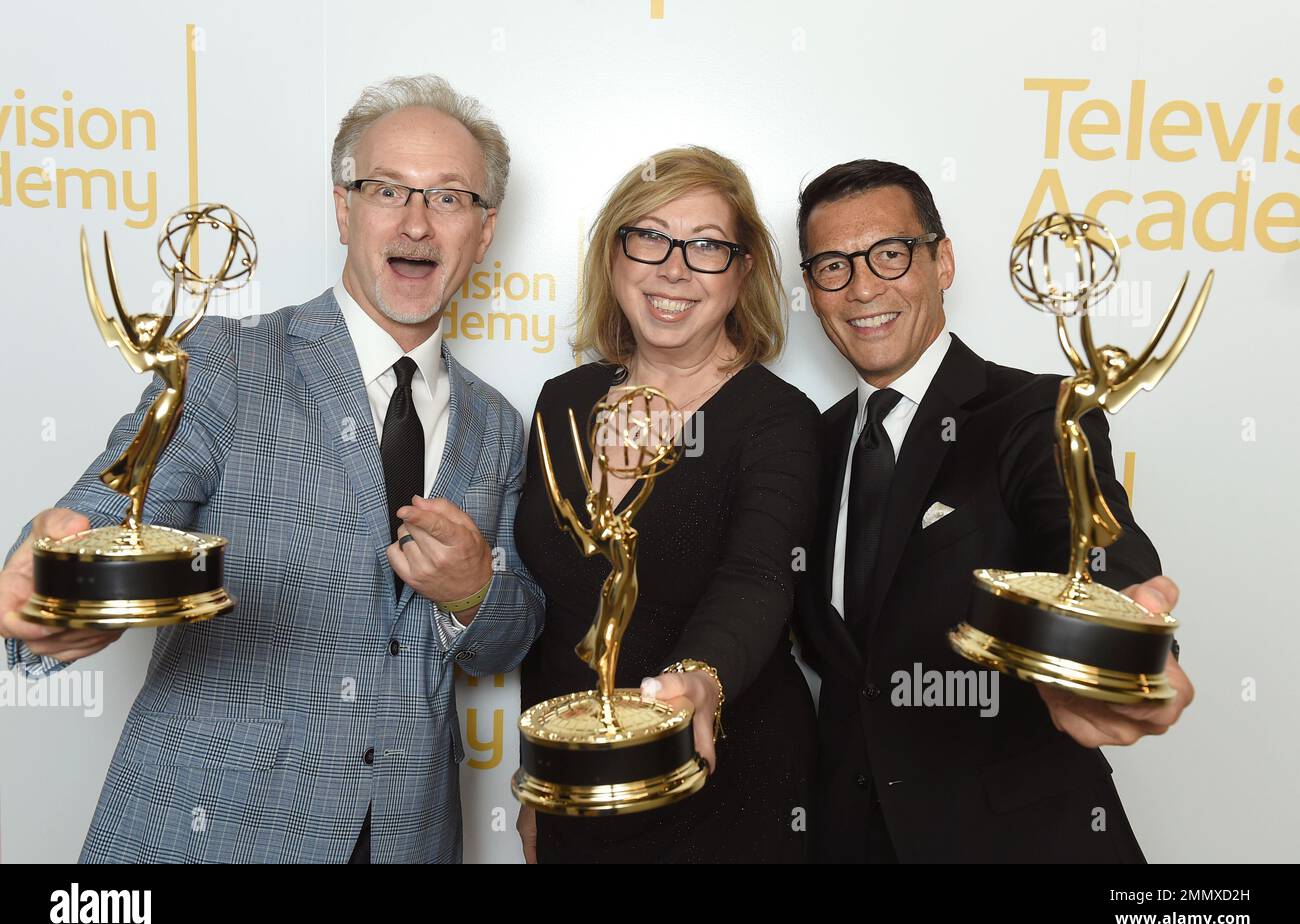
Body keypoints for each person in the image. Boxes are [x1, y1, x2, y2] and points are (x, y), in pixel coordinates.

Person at [0, 74, 544, 864]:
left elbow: (511, 636)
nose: (417, 222)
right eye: (388, 189)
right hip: (210, 829)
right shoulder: (223, 363)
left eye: (450, 198)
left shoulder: (497, 423)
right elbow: (103, 512)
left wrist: (473, 591)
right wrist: (47, 576)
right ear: (343, 206)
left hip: (405, 835)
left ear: (485, 228)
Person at [792, 159, 1195, 863]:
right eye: (833, 265)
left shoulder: (1038, 412)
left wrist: (1121, 648)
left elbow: (1092, 544)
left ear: (942, 261)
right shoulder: (807, 446)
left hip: (1017, 838)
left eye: (889, 254)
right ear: (812, 288)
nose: (862, 288)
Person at [514, 146, 818, 863]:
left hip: (724, 789)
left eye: (707, 246)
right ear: (613, 253)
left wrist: (700, 680)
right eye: (649, 236)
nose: (674, 268)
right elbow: (553, 620)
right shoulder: (563, 402)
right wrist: (539, 780)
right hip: (584, 793)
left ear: (743, 270)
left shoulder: (777, 420)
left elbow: (759, 578)